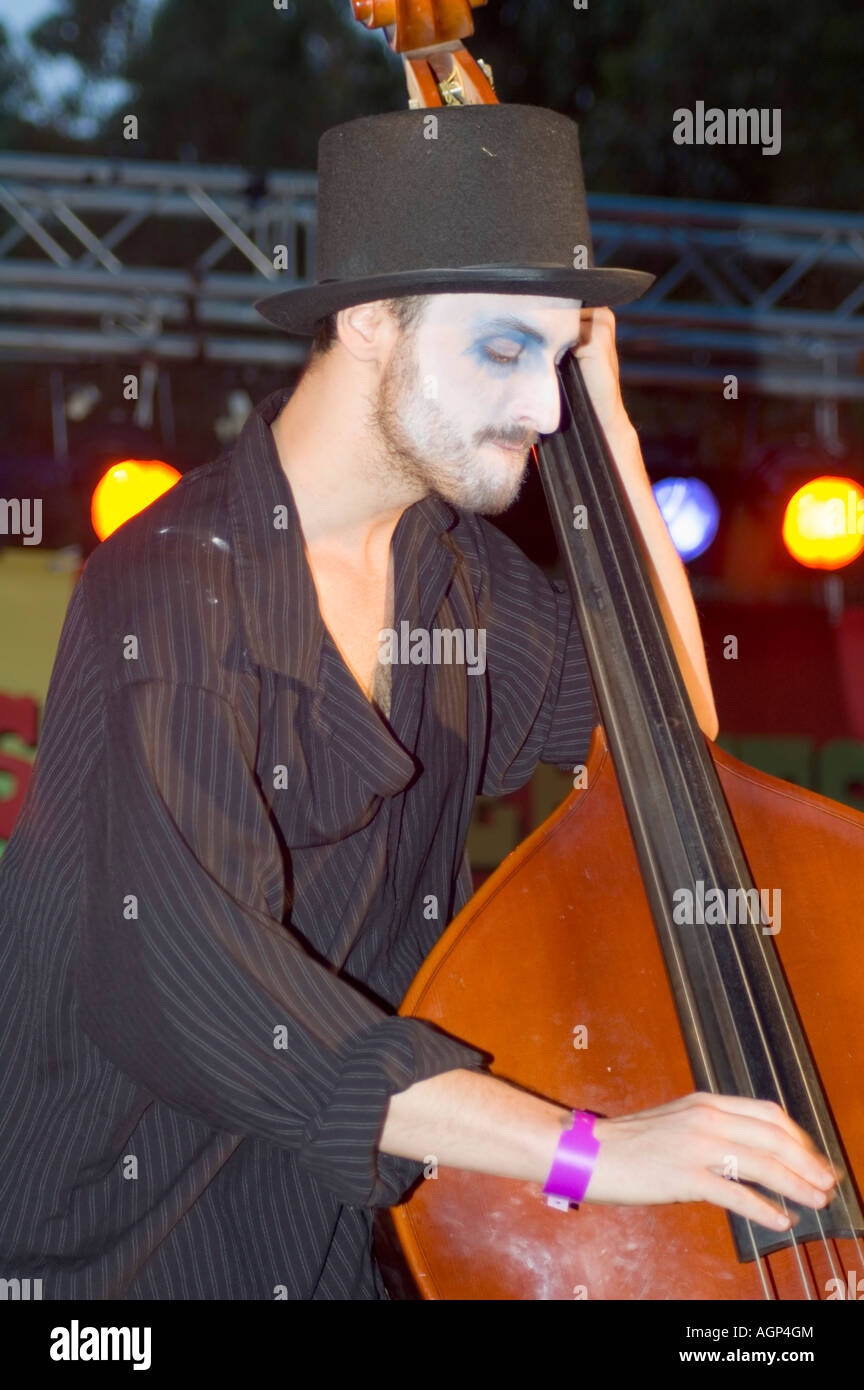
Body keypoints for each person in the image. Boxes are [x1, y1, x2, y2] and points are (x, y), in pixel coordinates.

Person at [0, 104, 835, 1301]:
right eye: (504, 350)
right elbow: (211, 988)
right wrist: (595, 1153)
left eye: (556, 359)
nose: (544, 411)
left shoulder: (456, 575)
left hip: (321, 1247)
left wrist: (613, 418)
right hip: (105, 1263)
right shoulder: (175, 580)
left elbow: (668, 733)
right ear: (369, 322)